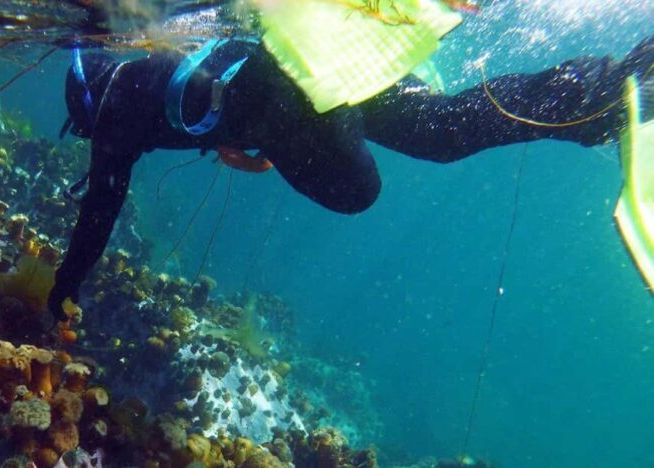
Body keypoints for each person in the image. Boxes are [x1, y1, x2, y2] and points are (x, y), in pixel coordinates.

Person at [47, 36, 653, 319]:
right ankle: (602, 87)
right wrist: (266, 140)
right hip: (316, 62)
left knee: (358, 192)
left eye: (79, 122)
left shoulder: (115, 113)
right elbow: (227, 79)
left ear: (87, 98)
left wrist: (63, 289)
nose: (87, 135)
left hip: (291, 90)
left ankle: (599, 100)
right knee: (440, 131)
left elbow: (100, 210)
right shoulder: (159, 55)